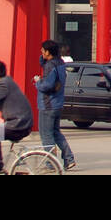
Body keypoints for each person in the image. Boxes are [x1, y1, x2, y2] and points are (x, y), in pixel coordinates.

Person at [33, 40, 76, 170]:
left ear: (48, 52)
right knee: (56, 132)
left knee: (46, 134)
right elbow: (43, 62)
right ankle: (68, 158)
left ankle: (50, 163)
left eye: (43, 51)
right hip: (57, 103)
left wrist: (37, 82)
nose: (41, 53)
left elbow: (47, 85)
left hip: (48, 104)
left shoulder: (50, 66)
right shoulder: (60, 63)